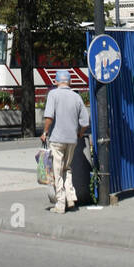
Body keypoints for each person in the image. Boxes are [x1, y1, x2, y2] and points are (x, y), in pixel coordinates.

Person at [41, 70, 89, 213]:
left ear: (56, 82)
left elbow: (49, 116)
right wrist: (80, 133)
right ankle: (71, 197)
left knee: (57, 171)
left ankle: (60, 204)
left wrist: (45, 132)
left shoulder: (53, 94)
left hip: (57, 139)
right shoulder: (76, 97)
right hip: (72, 140)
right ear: (70, 82)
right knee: (67, 168)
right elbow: (85, 121)